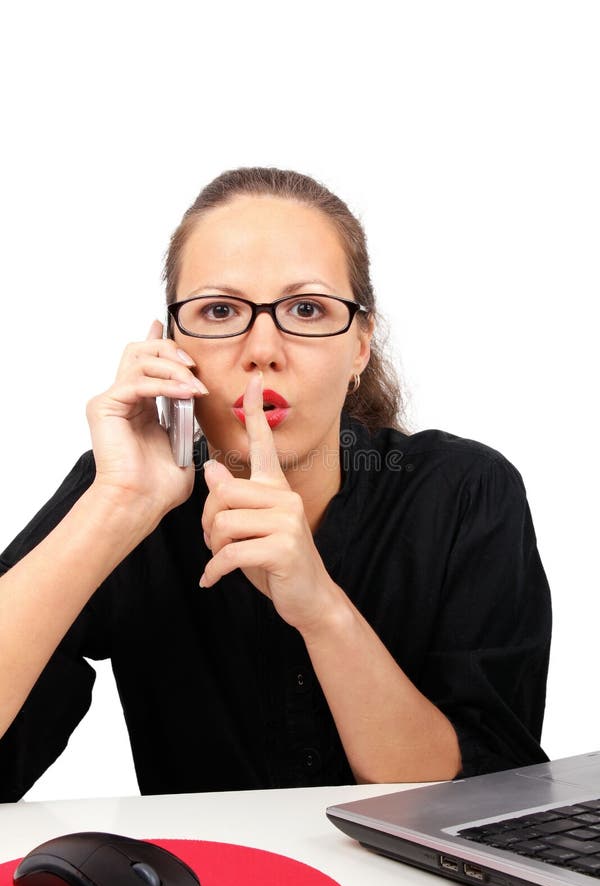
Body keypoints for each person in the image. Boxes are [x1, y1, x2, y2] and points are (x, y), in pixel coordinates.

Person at [0, 167, 551, 802]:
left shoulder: (465, 493)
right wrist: (119, 506)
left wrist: (320, 610)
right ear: (174, 344)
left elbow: (485, 799)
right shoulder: (122, 485)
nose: (263, 349)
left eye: (307, 309)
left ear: (361, 346)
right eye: (220, 310)